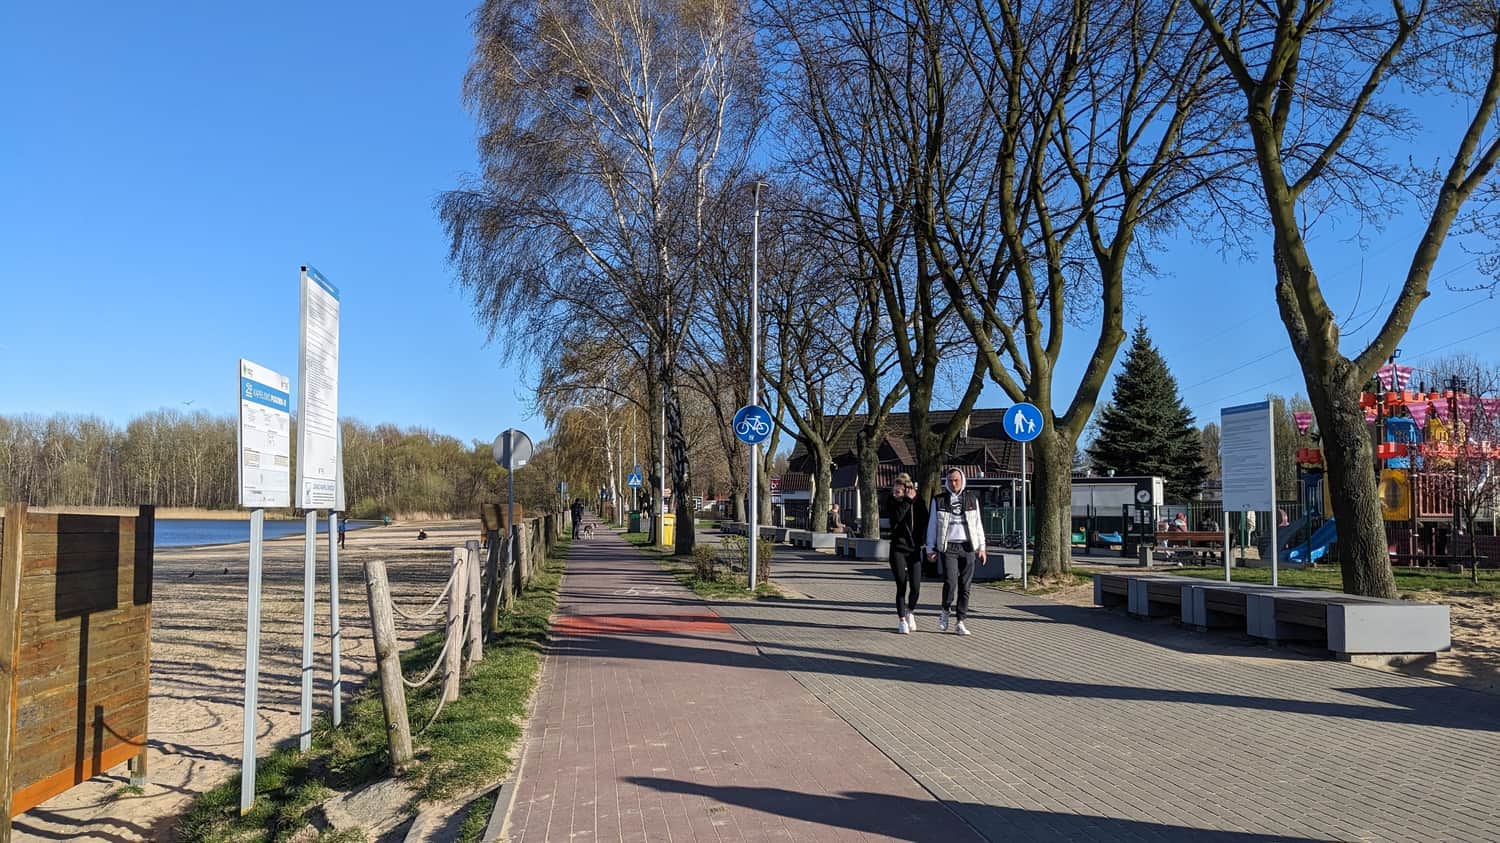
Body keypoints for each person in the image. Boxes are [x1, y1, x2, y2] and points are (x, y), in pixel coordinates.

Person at [925, 468, 988, 636]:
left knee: (965, 586)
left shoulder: (972, 499)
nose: (953, 484)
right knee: (950, 582)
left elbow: (978, 524)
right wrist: (930, 548)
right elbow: (932, 526)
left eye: (956, 480)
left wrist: (982, 547)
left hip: (968, 547)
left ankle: (960, 621)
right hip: (949, 547)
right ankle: (945, 610)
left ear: (962, 481)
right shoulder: (939, 500)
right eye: (950, 480)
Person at [882, 473, 923, 634]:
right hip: (898, 548)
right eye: (894, 490)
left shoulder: (918, 502)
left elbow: (925, 520)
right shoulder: (891, 502)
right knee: (901, 584)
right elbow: (897, 518)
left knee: (916, 586)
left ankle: (910, 611)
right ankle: (901, 620)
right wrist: (907, 501)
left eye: (898, 491)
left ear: (907, 490)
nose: (894, 493)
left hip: (914, 548)